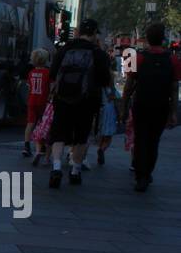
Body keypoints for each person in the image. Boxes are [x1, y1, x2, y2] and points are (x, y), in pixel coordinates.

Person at [46, 18, 113, 188]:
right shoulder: (98, 53)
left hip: (62, 98)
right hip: (87, 100)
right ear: (94, 34)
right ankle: (75, 171)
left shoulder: (64, 49)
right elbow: (105, 79)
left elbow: (52, 73)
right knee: (81, 136)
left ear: (78, 32)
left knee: (59, 133)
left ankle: (56, 168)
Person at [123, 22, 180, 193]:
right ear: (163, 39)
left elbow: (128, 84)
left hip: (141, 103)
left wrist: (124, 105)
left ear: (146, 38)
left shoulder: (136, 57)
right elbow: (174, 88)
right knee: (154, 141)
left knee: (140, 139)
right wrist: (173, 112)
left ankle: (140, 174)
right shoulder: (173, 60)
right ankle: (147, 172)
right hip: (161, 105)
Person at [22, 48, 51, 163]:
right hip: (43, 101)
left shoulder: (31, 73)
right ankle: (41, 145)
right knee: (42, 124)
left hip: (32, 100)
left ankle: (26, 145)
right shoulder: (48, 73)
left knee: (30, 123)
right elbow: (51, 86)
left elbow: (29, 87)